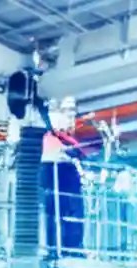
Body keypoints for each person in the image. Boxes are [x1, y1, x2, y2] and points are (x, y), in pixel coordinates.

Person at [40, 98, 86, 259]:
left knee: (70, 213)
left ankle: (70, 249)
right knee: (60, 213)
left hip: (61, 171)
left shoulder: (64, 138)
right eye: (68, 113)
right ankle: (61, 250)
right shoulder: (50, 136)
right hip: (56, 170)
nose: (71, 118)